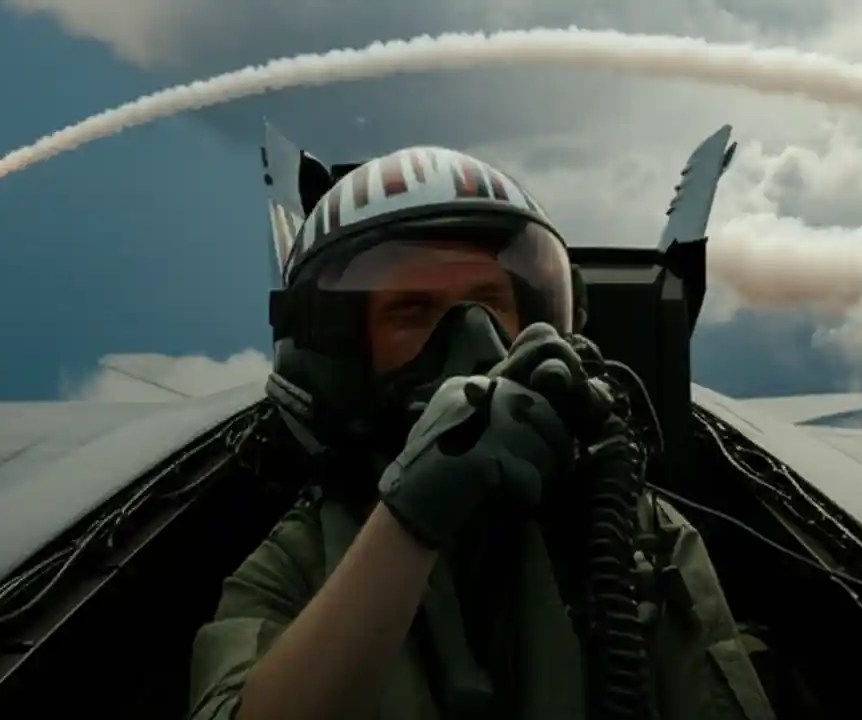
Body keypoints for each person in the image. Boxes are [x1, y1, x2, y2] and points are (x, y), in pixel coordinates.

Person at [188, 146, 774, 720]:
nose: (475, 344)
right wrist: (410, 518)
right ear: (342, 352)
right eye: (413, 312)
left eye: (492, 303)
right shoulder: (299, 559)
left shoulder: (636, 531)